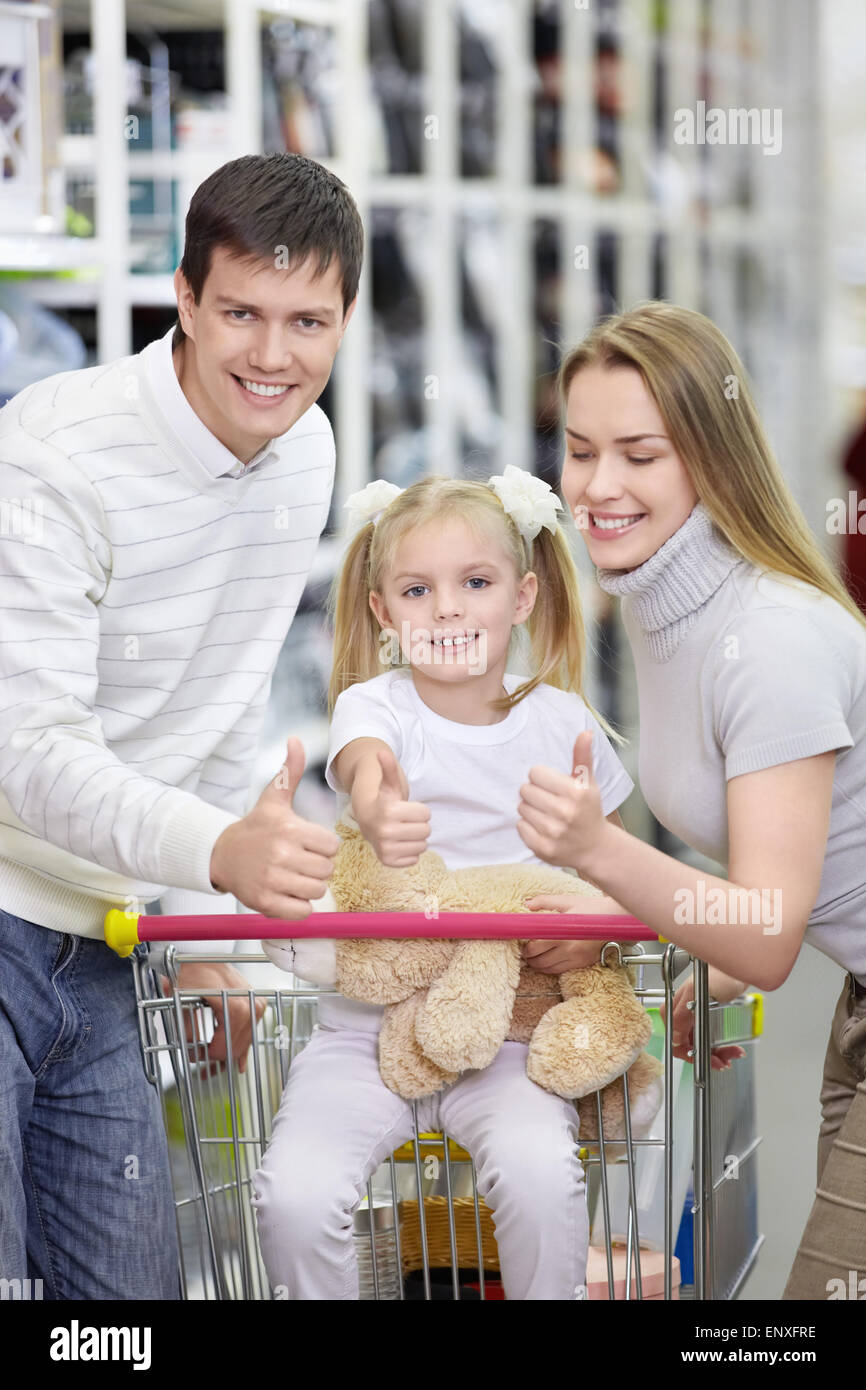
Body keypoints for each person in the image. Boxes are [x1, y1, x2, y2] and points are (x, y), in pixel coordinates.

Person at [0, 152, 362, 1299]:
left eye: (307, 320)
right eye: (241, 313)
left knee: (126, 1310)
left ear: (345, 318)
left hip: (106, 941)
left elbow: (222, 701)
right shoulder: (54, 453)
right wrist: (216, 856)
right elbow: (27, 756)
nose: (271, 356)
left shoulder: (305, 454)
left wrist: (200, 929)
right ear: (184, 298)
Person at [516, 300, 866, 1300]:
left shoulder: (765, 641)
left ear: (707, 459)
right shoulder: (659, 605)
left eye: (639, 453)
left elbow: (758, 934)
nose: (598, 485)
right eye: (579, 450)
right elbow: (793, 883)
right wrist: (674, 975)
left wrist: (596, 851)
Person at [251, 466, 637, 1300]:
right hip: (364, 1029)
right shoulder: (375, 704)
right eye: (418, 589)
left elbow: (618, 868)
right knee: (293, 1196)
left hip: (511, 1034)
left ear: (524, 596)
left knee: (541, 1179)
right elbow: (368, 762)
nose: (449, 609)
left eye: (476, 583)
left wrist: (597, 913)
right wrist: (379, 805)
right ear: (384, 613)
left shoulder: (564, 723)